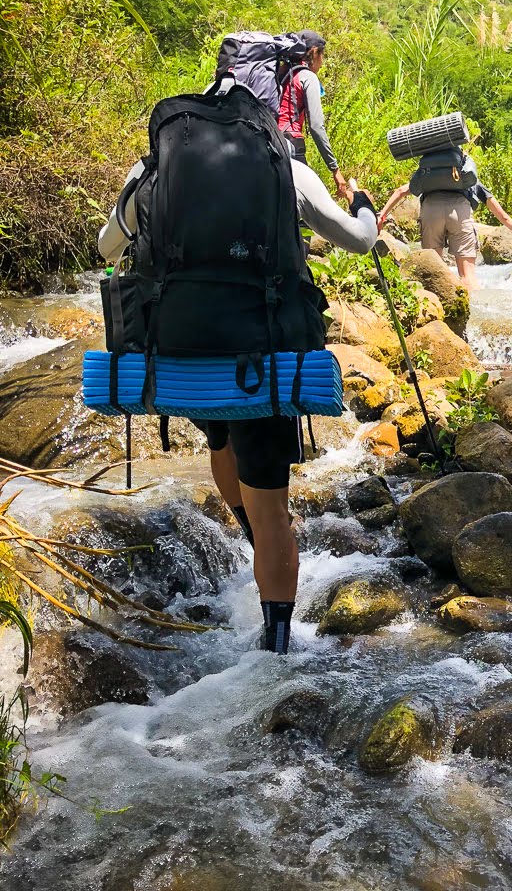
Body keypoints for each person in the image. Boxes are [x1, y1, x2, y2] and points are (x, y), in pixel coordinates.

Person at [98, 140, 378, 655]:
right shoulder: (284, 169)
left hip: (184, 356)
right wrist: (362, 202)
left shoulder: (154, 167)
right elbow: (360, 240)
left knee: (221, 434)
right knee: (273, 510)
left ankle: (250, 534)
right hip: (261, 362)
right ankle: (276, 650)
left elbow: (107, 247)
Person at [377, 152, 512, 290]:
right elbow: (503, 216)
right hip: (460, 212)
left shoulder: (428, 175)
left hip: (431, 211)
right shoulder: (470, 179)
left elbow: (400, 191)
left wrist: (382, 216)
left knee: (434, 271)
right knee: (467, 276)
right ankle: (473, 321)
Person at [277, 30, 348, 199]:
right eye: (322, 56)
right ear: (315, 52)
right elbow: (316, 126)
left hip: (269, 140)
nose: (322, 63)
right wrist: (335, 169)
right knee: (311, 204)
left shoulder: (282, 72)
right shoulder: (307, 77)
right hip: (290, 146)